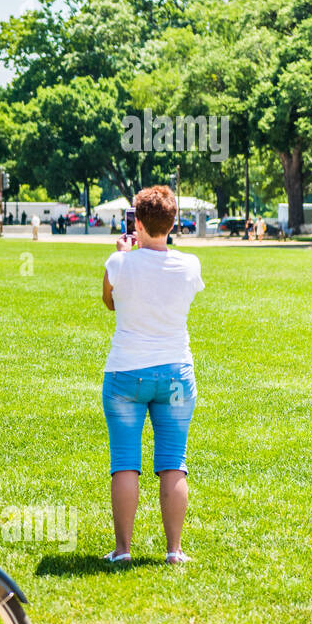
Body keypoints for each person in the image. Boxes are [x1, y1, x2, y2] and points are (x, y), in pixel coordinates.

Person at [101, 185, 203, 565]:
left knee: (125, 462)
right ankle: (174, 550)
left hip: (126, 372)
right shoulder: (190, 264)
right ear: (173, 222)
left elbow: (110, 302)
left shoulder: (119, 263)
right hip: (176, 372)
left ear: (137, 223)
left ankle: (123, 550)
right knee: (173, 462)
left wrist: (123, 256)